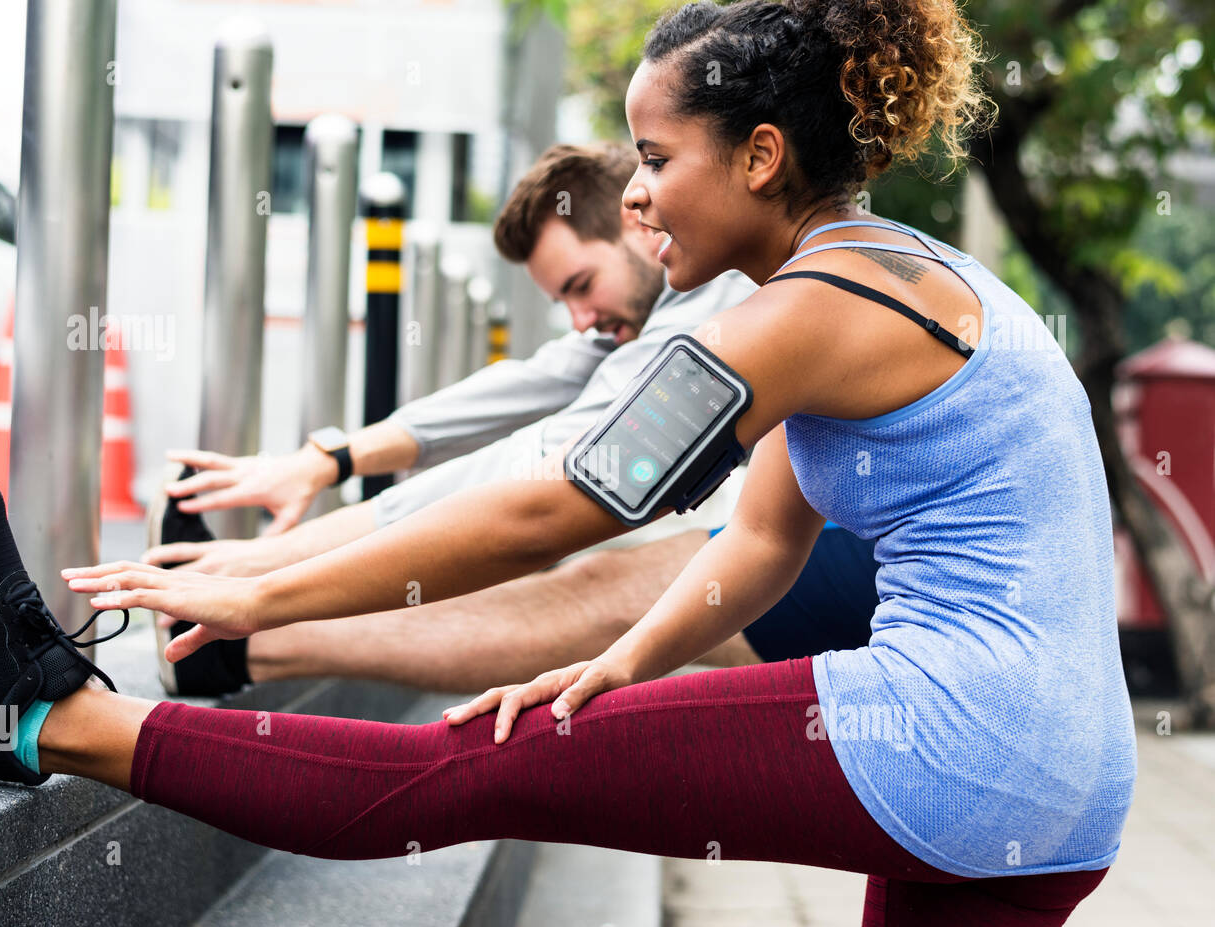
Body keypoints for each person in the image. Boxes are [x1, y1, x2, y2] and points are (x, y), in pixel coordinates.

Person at [0, 0, 1136, 927]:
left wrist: (258, 595)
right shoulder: (895, 274)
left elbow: (569, 499)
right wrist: (612, 667)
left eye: (655, 157)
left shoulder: (809, 307)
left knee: (455, 778)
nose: (641, 196)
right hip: (1065, 789)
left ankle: (50, 718)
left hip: (960, 736)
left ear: (761, 156)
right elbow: (761, 543)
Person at [141, 142, 878, 695]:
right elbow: (526, 386)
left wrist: (259, 570)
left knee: (610, 590)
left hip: (907, 566)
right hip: (872, 543)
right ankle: (232, 649)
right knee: (610, 580)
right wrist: (329, 461)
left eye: (657, 161)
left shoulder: (725, 291)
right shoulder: (680, 291)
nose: (580, 317)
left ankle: (236, 648)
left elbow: (560, 467)